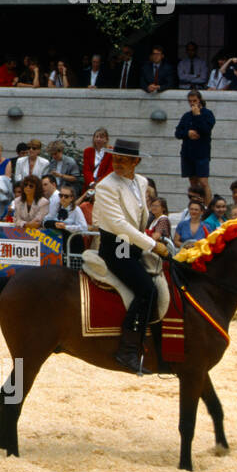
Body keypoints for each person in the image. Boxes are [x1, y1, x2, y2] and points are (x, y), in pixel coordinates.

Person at [93, 138, 168, 374]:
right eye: (115, 159)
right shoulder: (106, 186)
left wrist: (149, 238)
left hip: (134, 244)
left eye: (123, 160)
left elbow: (138, 216)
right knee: (147, 290)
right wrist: (151, 245)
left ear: (136, 161)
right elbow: (118, 223)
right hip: (116, 247)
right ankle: (126, 351)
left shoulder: (142, 182)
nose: (117, 164)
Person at [175, 90, 214, 207]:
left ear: (200, 100)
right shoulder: (186, 116)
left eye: (195, 101)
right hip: (188, 153)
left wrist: (197, 115)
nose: (192, 103)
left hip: (202, 153)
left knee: (203, 182)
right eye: (190, 101)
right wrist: (188, 133)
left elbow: (206, 130)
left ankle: (208, 207)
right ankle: (195, 205)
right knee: (193, 182)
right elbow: (178, 133)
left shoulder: (207, 114)